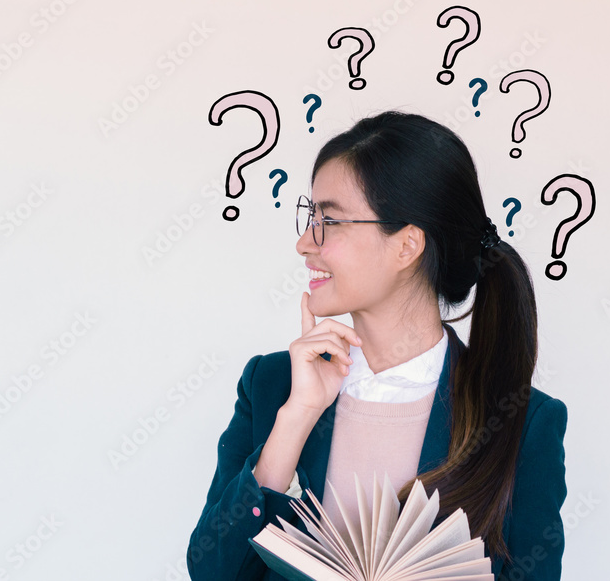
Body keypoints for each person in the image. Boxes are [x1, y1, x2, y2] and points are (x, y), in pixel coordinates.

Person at [187, 111, 567, 580]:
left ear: (406, 246)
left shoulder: (521, 422)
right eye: (311, 218)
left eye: (329, 220)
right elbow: (212, 573)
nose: (305, 243)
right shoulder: (272, 386)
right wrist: (298, 417)